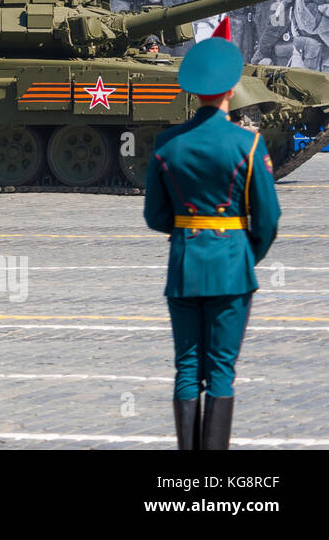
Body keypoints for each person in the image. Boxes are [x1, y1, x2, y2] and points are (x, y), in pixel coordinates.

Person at [144, 31, 280, 450]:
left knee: (187, 366)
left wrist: (188, 233)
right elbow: (269, 217)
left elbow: (155, 216)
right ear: (229, 90)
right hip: (231, 265)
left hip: (185, 264)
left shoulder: (168, 144)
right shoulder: (248, 143)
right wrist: (244, 254)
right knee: (221, 369)